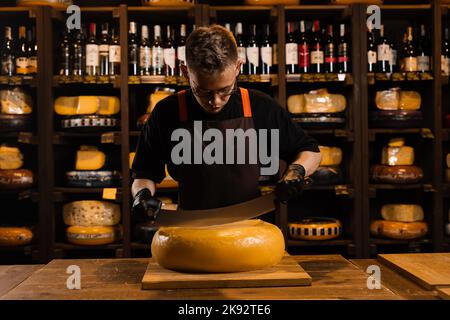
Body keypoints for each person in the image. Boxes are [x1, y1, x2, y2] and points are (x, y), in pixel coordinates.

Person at [131, 25, 322, 221]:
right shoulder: (166, 112)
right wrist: (142, 195)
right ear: (186, 72)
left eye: (225, 90)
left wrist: (297, 171)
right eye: (203, 91)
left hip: (250, 229)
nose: (216, 101)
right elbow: (144, 174)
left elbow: (310, 150)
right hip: (192, 227)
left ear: (238, 67)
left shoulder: (261, 107)